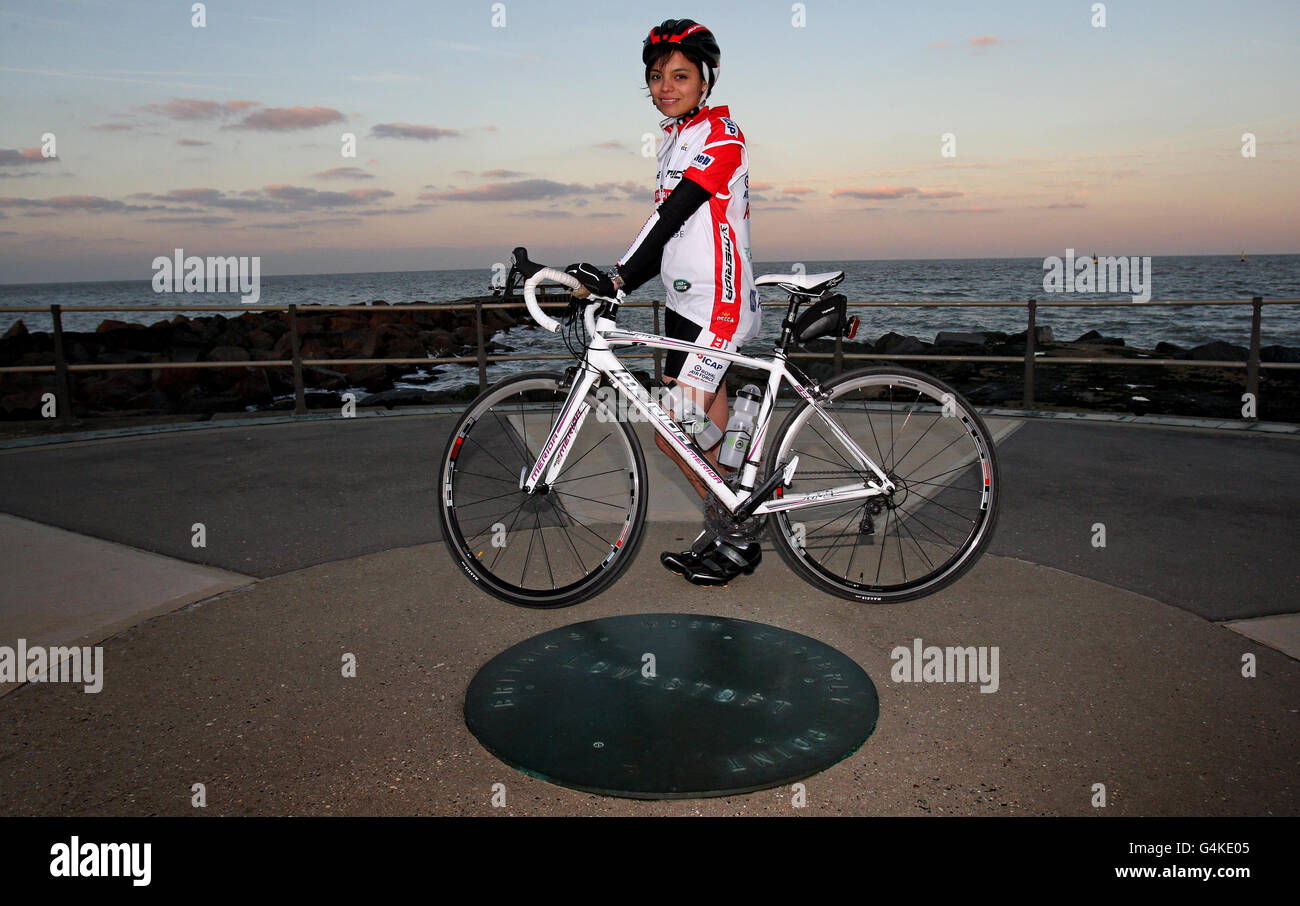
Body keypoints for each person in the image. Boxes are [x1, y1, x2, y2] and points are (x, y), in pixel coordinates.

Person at [564, 18, 760, 587]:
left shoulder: (723, 136)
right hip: (686, 305)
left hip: (718, 305)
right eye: (656, 76)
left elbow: (674, 212)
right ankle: (729, 522)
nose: (666, 86)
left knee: (668, 432)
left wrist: (618, 274)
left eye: (680, 75)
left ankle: (739, 533)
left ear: (706, 79)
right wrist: (621, 283)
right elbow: (669, 235)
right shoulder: (674, 141)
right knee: (702, 432)